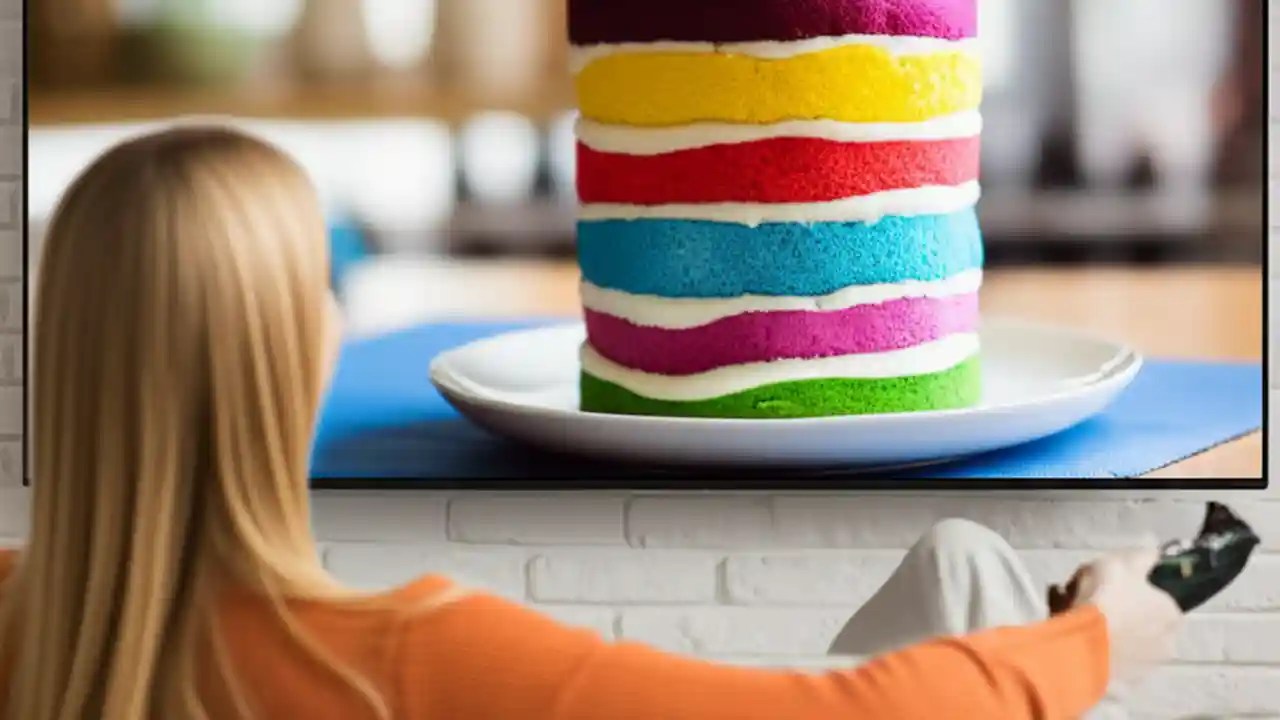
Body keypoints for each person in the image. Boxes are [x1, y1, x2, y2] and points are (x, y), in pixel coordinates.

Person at [0, 125, 1183, 720]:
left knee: (957, 572)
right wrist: (1102, 637)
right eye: (318, 285)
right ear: (294, 347)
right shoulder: (395, 661)